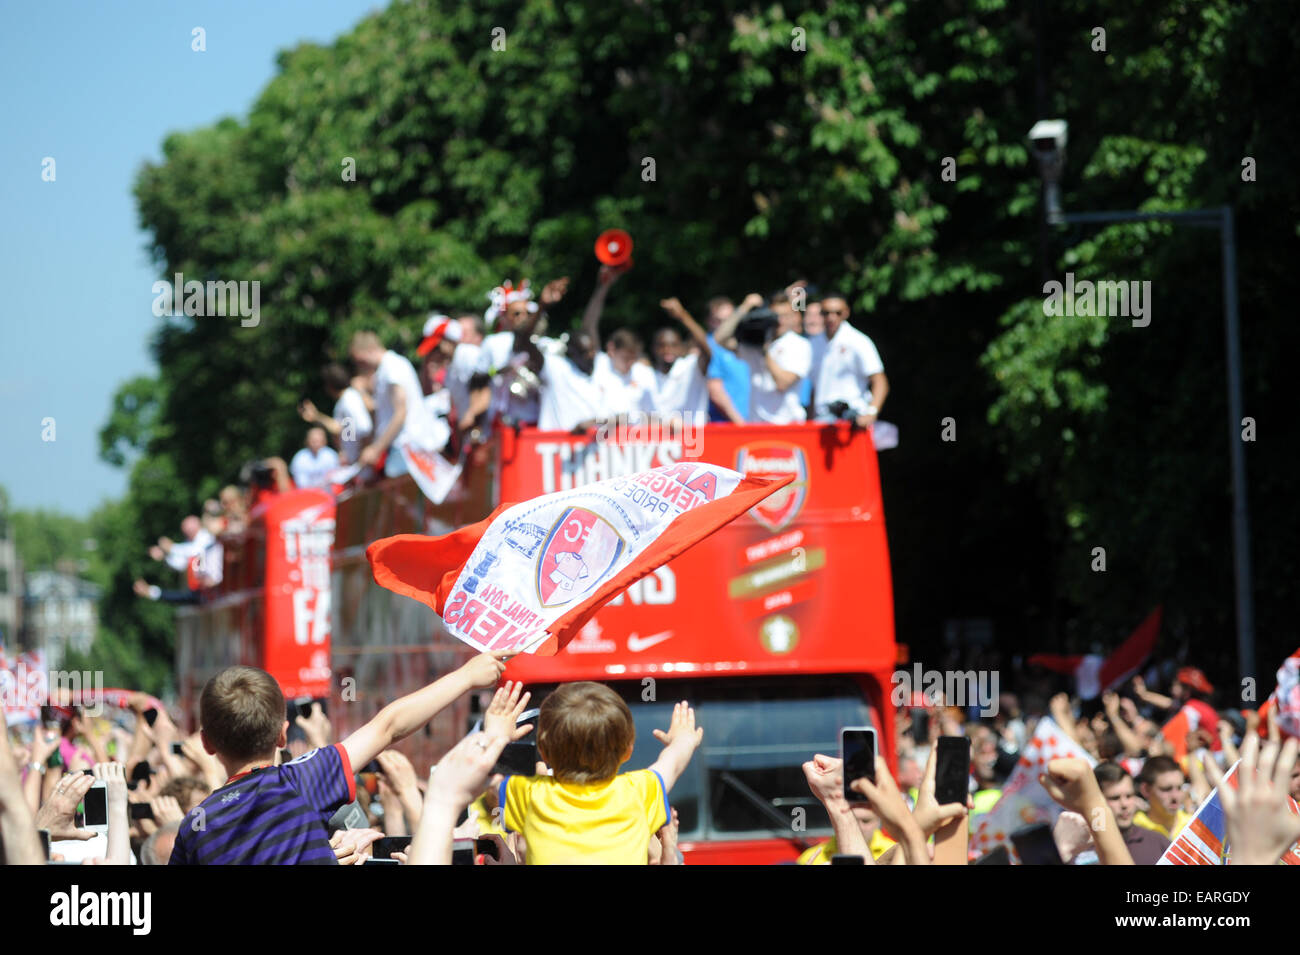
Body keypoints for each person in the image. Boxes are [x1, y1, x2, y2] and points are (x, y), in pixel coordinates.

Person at [169, 651, 511, 864]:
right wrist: (466, 677)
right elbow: (388, 727)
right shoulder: (300, 782)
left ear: (207, 743)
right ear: (283, 735)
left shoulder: (194, 825)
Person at [495, 682, 702, 864]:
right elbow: (673, 762)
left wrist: (497, 734)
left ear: (543, 750)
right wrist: (683, 740)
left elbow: (484, 773)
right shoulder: (639, 792)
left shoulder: (529, 794)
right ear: (628, 749)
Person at [348, 331, 445, 477]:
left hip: (408, 447)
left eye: (361, 361)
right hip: (402, 448)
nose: (361, 366)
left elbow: (400, 413)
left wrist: (376, 449)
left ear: (369, 350)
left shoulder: (392, 367)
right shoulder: (385, 370)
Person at [716, 291, 812, 424]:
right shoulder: (755, 343)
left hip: (788, 425)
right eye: (775, 316)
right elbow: (720, 338)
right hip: (758, 425)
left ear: (794, 317)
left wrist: (765, 352)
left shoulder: (799, 344)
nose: (780, 321)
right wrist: (745, 307)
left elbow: (782, 383)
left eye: (785, 316)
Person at [813, 293, 889, 427]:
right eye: (826, 313)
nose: (831, 317)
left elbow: (880, 381)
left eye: (837, 312)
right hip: (822, 419)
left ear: (846, 313)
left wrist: (871, 412)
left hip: (853, 419)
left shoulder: (858, 341)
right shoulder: (813, 343)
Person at [1093, 761, 1168, 864]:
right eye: (1115, 798)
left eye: (1129, 796)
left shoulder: (1158, 843)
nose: (1124, 804)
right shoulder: (1083, 851)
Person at [299, 363, 373, 465]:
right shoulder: (346, 400)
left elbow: (363, 428)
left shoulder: (348, 401)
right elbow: (342, 429)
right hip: (357, 462)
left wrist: (363, 452)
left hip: (363, 463)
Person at [703, 296, 748, 424]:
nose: (726, 325)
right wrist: (741, 424)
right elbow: (716, 392)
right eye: (719, 321)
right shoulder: (709, 347)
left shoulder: (745, 345)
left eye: (730, 319)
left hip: (752, 423)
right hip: (725, 427)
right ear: (709, 321)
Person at [1134, 755, 1192, 839]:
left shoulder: (1193, 825)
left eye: (1179, 788)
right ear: (1146, 790)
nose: (1175, 796)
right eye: (1166, 789)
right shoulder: (1134, 828)